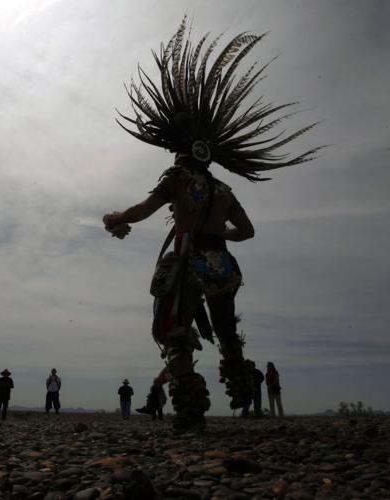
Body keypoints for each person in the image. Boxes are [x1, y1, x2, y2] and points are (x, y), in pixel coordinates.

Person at [104, 18, 318, 432]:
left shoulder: (177, 178)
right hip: (222, 263)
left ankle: (189, 407)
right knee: (225, 330)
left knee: (173, 328)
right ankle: (240, 387)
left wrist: (115, 218)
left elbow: (144, 210)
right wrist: (221, 236)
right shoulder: (223, 189)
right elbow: (249, 231)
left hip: (185, 258)